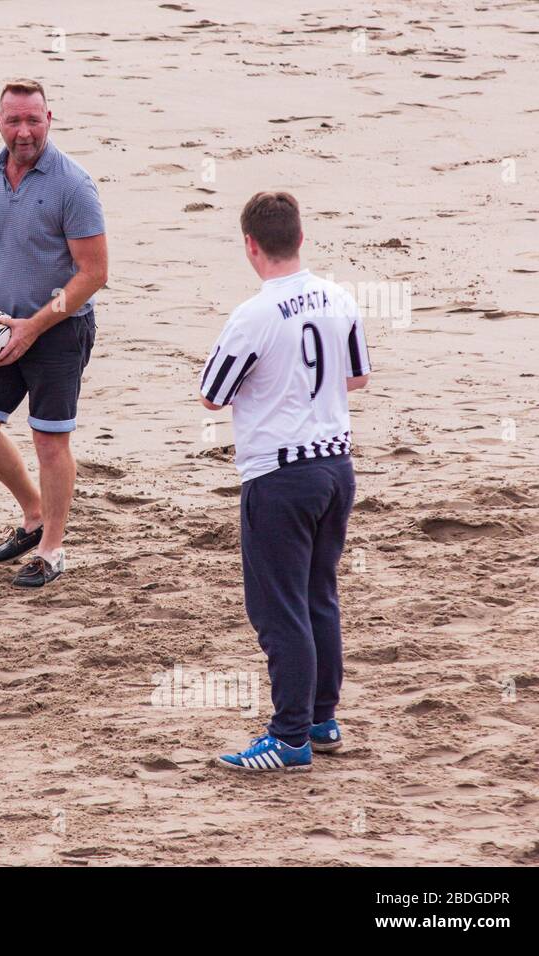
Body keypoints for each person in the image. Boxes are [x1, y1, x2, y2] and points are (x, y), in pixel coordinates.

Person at [200, 191, 372, 773]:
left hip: (280, 474)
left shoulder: (253, 315)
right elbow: (357, 377)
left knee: (279, 611)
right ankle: (322, 718)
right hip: (336, 466)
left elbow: (212, 394)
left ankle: (290, 736)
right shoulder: (338, 296)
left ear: (251, 244)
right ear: (300, 236)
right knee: (318, 594)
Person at [0, 80, 109, 588]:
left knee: (49, 440)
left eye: (33, 120)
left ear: (49, 119)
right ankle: (33, 513)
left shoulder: (73, 184)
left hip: (60, 330)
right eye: (14, 120)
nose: (24, 131)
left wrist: (35, 326)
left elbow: (93, 274)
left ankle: (52, 549)